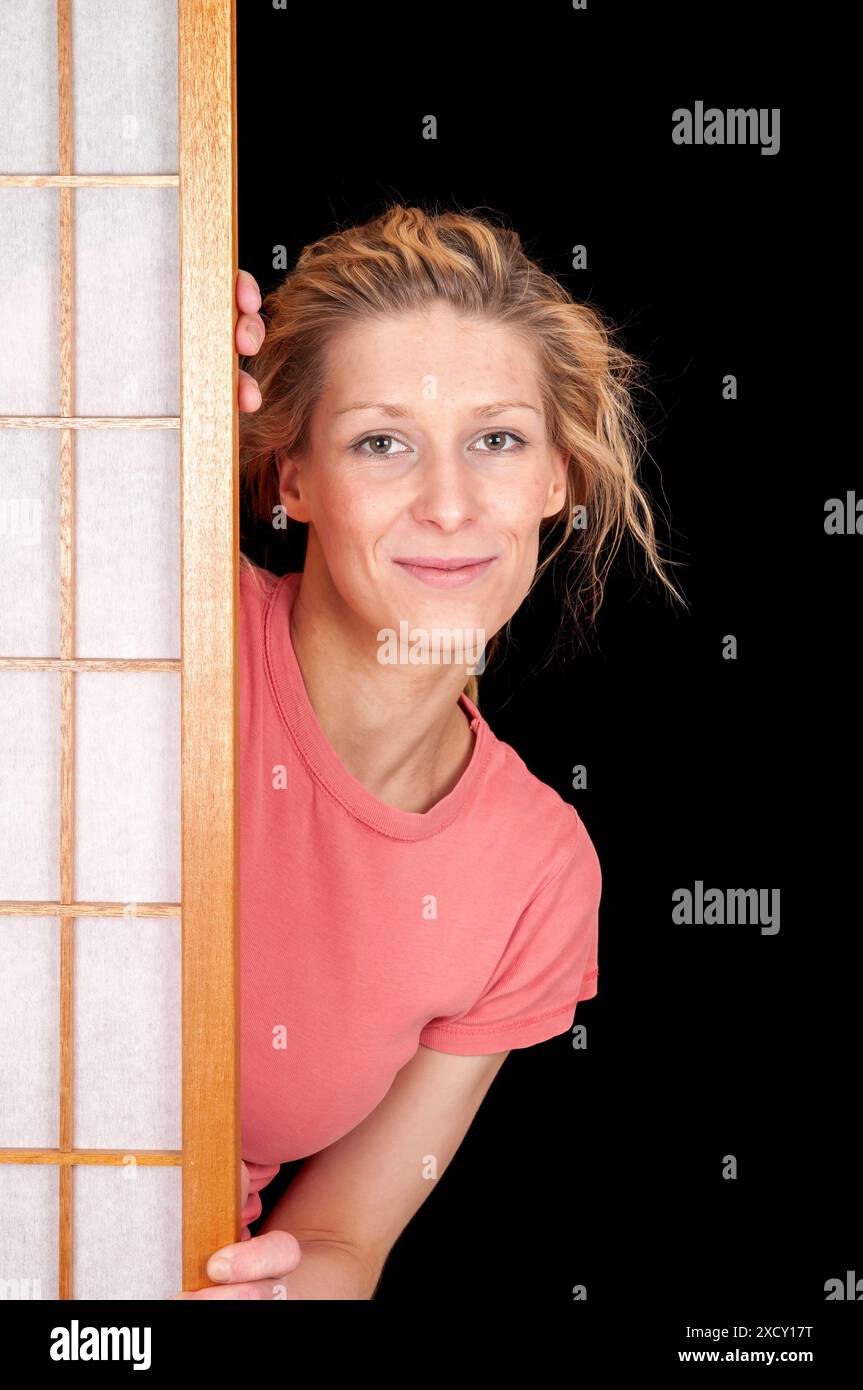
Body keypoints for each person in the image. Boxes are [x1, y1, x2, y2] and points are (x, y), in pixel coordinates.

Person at [171, 204, 685, 1299]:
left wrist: (281, 1289)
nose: (448, 505)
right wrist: (75, 364)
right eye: (381, 442)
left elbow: (344, 1239)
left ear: (556, 480)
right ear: (292, 478)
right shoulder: (153, 627)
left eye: (495, 440)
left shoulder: (538, 872)